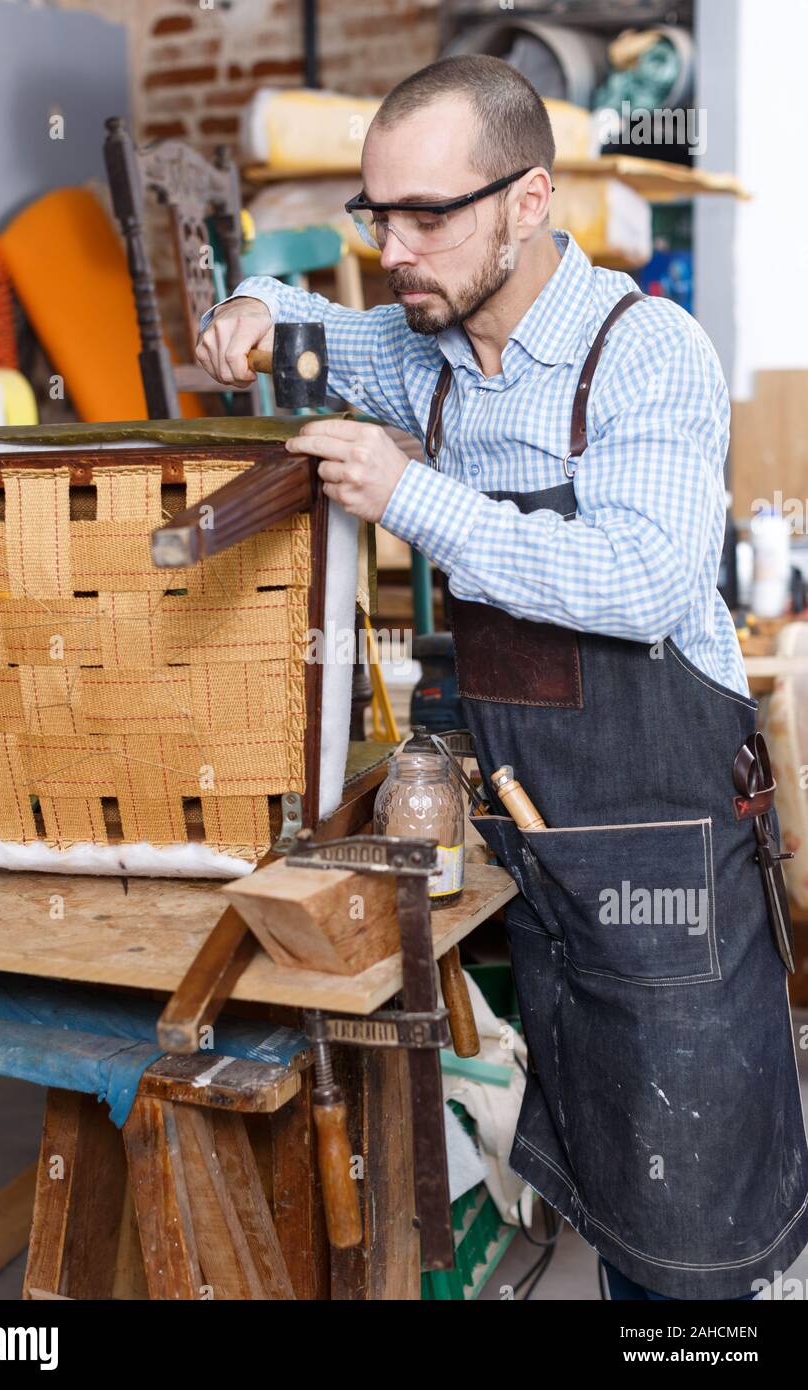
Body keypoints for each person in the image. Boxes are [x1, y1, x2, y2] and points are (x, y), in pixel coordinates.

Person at [197, 55, 808, 1300]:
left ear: (531, 202)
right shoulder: (417, 339)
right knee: (599, 1176)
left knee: (688, 1249)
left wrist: (412, 497)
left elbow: (641, 577)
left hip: (665, 866)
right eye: (376, 216)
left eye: (429, 214)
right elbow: (290, 313)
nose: (393, 249)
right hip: (541, 855)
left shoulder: (644, 354)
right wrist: (251, 309)